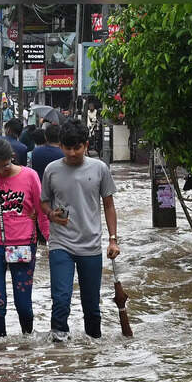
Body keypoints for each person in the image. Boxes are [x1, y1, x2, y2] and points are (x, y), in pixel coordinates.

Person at [39, 119, 120, 341]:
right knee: (61, 300)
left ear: (86, 145)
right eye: (67, 148)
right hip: (60, 243)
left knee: (92, 306)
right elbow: (44, 201)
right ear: (60, 146)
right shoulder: (51, 170)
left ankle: (92, 351)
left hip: (90, 244)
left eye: (77, 147)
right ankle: (59, 352)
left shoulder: (100, 169)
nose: (73, 153)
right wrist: (50, 214)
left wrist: (113, 239)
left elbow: (109, 206)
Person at [0, 138, 50, 337]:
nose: (2, 171)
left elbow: (41, 210)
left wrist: (49, 239)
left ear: (12, 157)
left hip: (23, 244)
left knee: (24, 304)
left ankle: (27, 343)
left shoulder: (30, 176)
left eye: (5, 165)